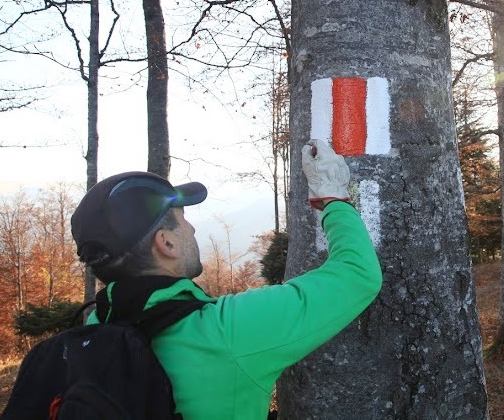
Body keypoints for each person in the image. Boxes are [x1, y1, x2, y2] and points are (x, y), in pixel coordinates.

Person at [69, 139, 382, 420]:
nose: (192, 230)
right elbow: (358, 274)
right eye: (183, 221)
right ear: (166, 243)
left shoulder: (88, 335)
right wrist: (334, 199)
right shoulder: (228, 332)